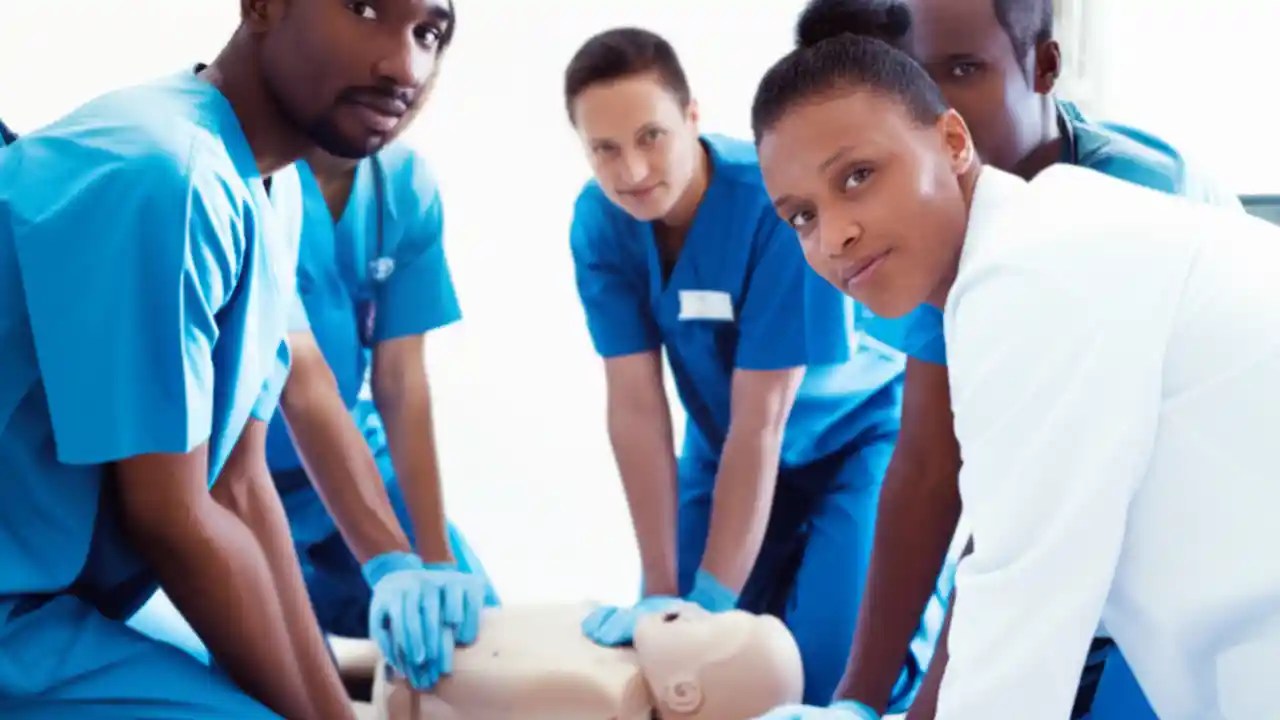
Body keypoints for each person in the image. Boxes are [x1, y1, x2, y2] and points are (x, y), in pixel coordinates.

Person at [749, 31, 1280, 720]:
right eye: (801, 216)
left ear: (952, 141)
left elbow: (1022, 610)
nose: (833, 236)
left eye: (857, 175)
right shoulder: (1034, 243)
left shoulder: (1032, 273)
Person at [0, 0, 462, 717]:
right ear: (263, 6)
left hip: (50, 605)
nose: (404, 66)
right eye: (366, 8)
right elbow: (172, 515)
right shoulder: (169, 173)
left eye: (427, 34)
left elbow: (240, 485)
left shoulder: (267, 188)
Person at [563, 27, 942, 708]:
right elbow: (636, 407)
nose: (633, 171)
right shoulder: (600, 223)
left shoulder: (768, 206)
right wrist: (661, 592)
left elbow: (762, 421)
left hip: (850, 445)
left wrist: (706, 603)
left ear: (692, 118)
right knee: (689, 669)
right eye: (605, 150)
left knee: (816, 674)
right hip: (719, 449)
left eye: (651, 136)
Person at [265, 76, 501, 689]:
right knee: (279, 675)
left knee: (481, 640)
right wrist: (392, 561)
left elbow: (400, 381)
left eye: (430, 38)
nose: (405, 70)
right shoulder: (253, 176)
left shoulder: (404, 187)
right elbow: (298, 375)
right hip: (241, 469)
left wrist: (434, 555)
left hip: (357, 446)